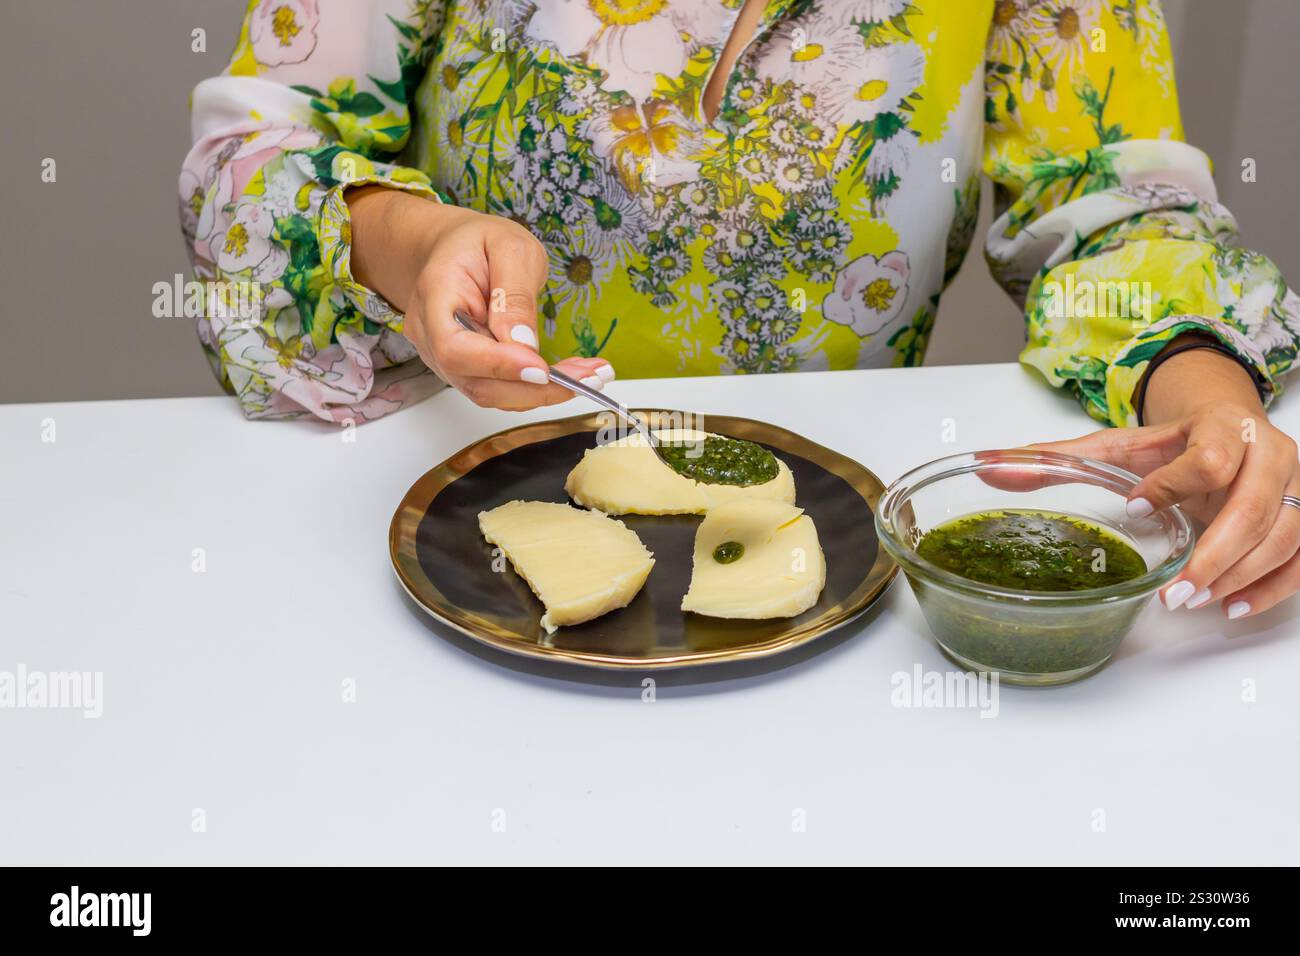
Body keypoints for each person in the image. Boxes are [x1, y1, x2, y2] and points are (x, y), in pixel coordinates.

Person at [182, 0, 1300, 619]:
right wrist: (409, 239)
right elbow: (253, 151)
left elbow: (1109, 205)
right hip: (449, 547)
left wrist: (1208, 398)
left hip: (836, 571)